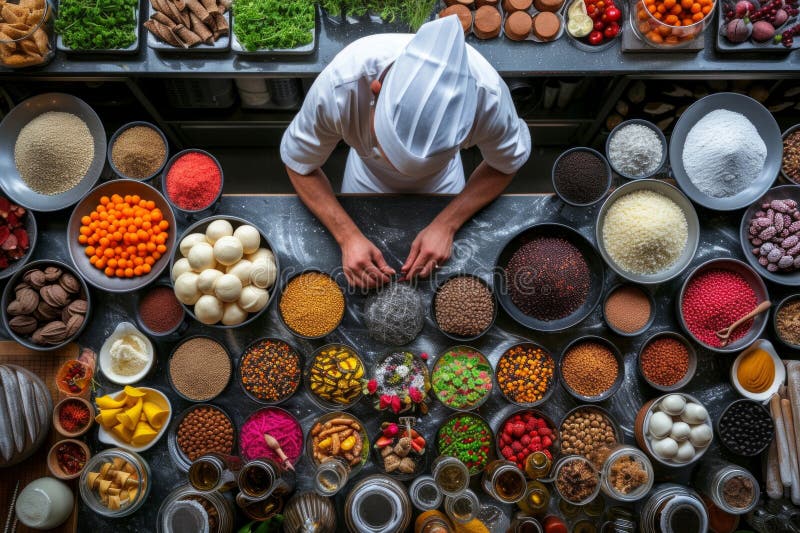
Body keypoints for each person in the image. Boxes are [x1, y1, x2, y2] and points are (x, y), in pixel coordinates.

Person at [281, 15, 531, 288]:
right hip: (365, 179)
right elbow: (299, 162)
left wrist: (447, 223)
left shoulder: (488, 95)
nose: (400, 171)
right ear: (375, 91)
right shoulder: (342, 84)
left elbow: (506, 163)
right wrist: (347, 235)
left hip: (444, 183)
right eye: (389, 151)